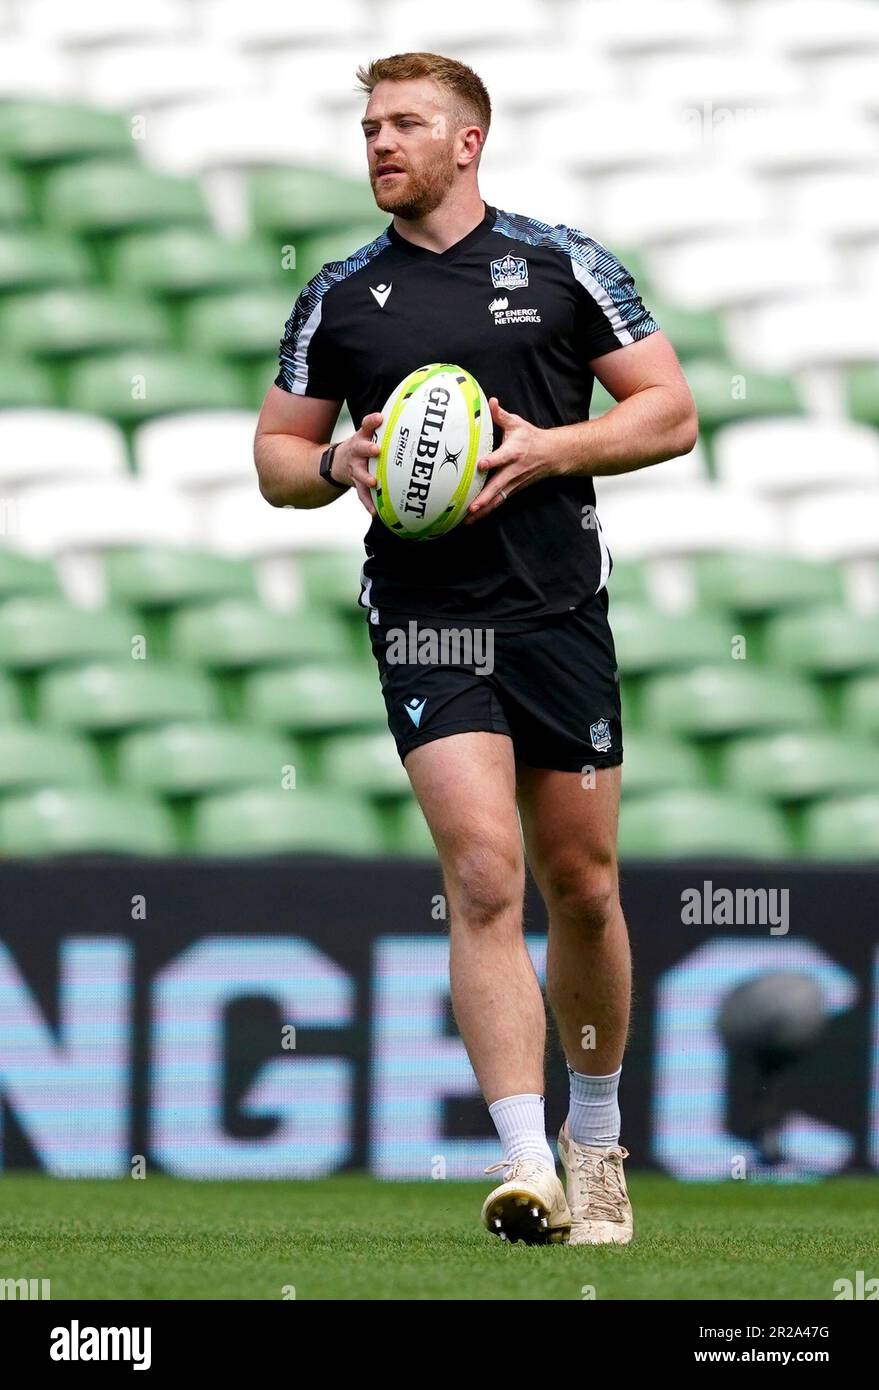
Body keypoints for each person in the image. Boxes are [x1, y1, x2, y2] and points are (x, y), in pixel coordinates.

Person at [254, 51, 698, 1245]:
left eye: (405, 124)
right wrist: (339, 463)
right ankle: (523, 1167)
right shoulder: (340, 295)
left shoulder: (562, 264)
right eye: (368, 126)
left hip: (558, 613)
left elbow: (670, 411)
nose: (379, 143)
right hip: (426, 618)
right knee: (486, 873)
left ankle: (594, 1142)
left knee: (586, 887)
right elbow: (277, 460)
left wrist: (547, 450)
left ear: (469, 142)